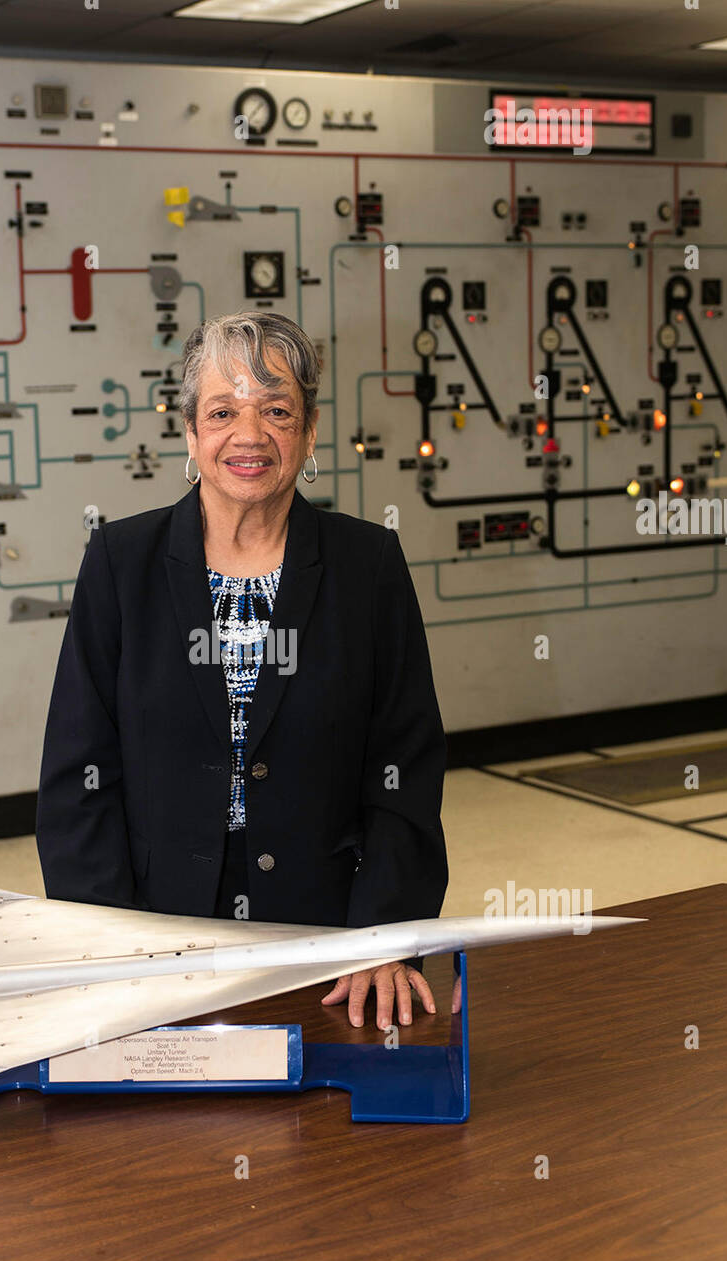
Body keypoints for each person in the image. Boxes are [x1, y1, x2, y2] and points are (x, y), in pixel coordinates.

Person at [36, 310, 452, 1028]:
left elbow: (404, 768)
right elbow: (79, 777)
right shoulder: (120, 564)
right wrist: (107, 942)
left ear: (310, 430)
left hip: (326, 943)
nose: (250, 435)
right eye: (223, 411)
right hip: (155, 933)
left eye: (277, 410)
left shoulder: (368, 567)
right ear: (192, 434)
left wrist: (384, 935)